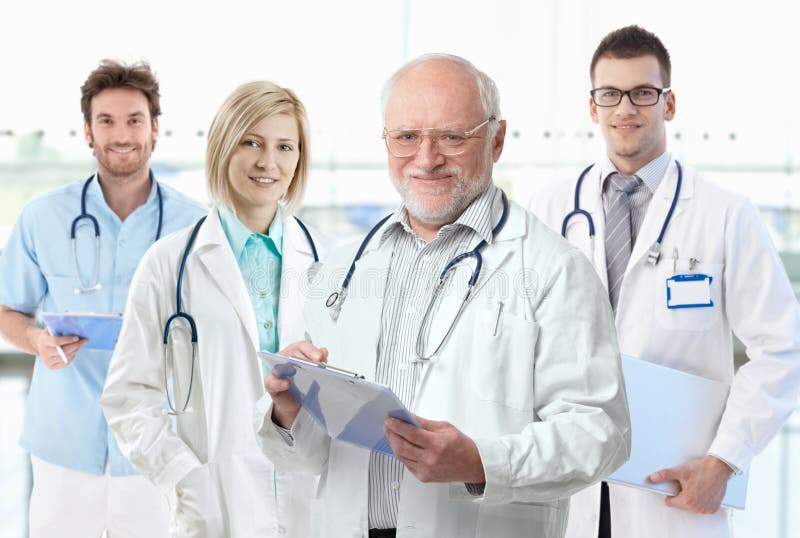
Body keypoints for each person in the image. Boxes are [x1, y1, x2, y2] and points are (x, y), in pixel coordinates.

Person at [254, 53, 631, 538]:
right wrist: (290, 408)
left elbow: (600, 433)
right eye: (407, 137)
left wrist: (480, 461)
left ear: (496, 140)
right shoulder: (344, 269)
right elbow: (305, 457)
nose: (427, 158)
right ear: (386, 141)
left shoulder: (554, 269)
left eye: (452, 137)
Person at [529, 25, 800, 538]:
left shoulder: (725, 214)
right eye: (610, 94)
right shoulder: (550, 209)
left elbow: (782, 348)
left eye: (643, 93)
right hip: (570, 490)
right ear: (593, 107)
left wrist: (724, 461)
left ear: (669, 105)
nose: (625, 108)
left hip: (673, 500)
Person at [101, 80, 326, 537]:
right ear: (224, 147)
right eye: (252, 142)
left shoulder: (330, 263)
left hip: (313, 500)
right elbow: (128, 396)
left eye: (286, 146)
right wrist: (184, 478)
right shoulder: (169, 263)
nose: (269, 162)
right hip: (217, 502)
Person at [0, 60, 207, 537]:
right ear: (88, 132)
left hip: (157, 446)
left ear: (155, 128)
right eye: (107, 121)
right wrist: (37, 341)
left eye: (135, 120)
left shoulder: (194, 226)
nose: (122, 134)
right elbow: (9, 310)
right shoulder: (43, 217)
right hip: (65, 447)